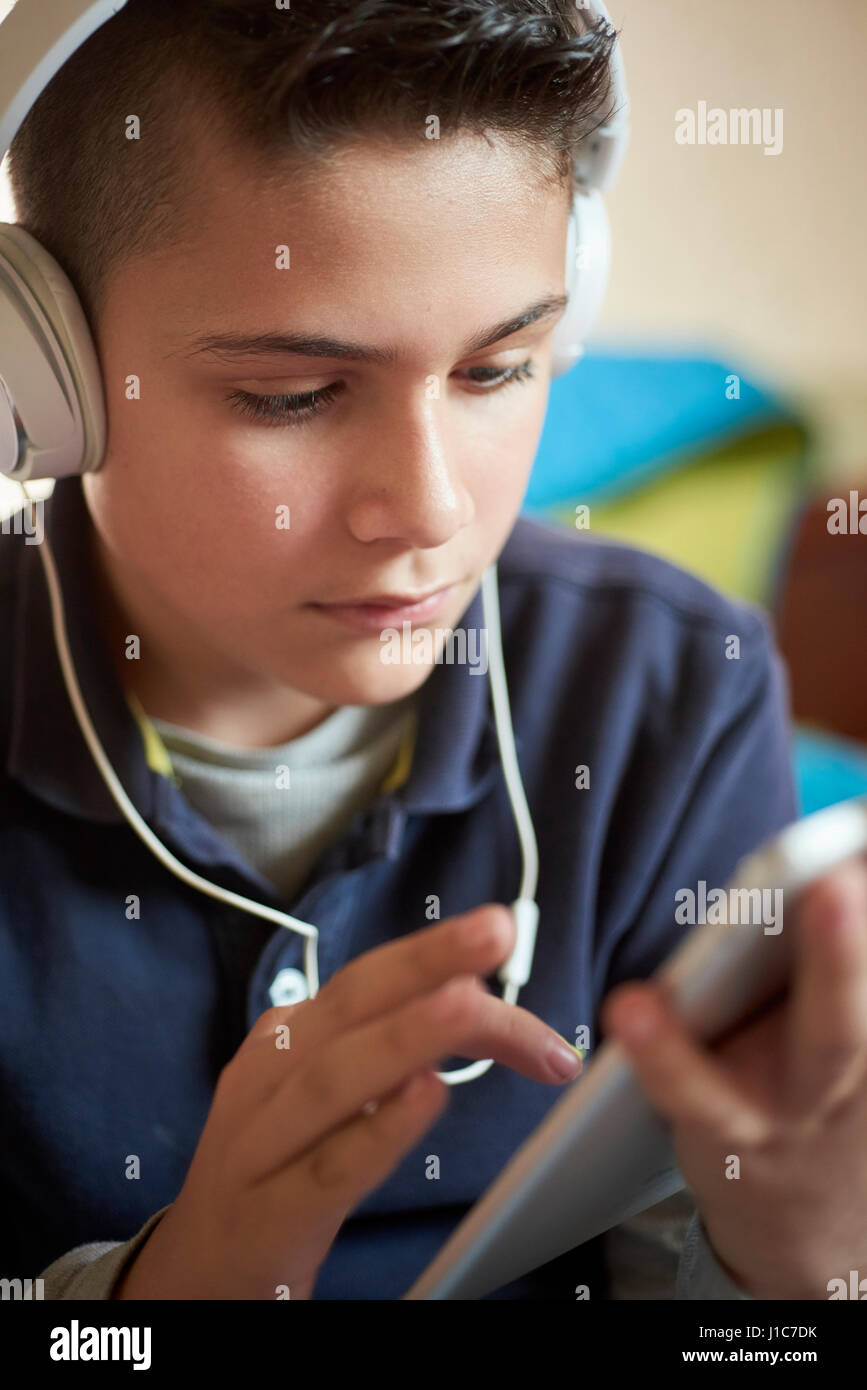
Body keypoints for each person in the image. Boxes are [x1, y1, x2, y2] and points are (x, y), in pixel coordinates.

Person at [2, 0, 865, 1301]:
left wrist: (794, 1257)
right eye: (293, 395)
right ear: (42, 378)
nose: (431, 509)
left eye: (500, 367)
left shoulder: (676, 691)